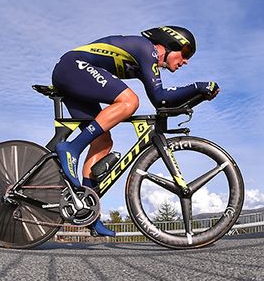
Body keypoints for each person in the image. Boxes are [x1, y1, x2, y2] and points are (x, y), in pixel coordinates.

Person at [51, 25, 220, 237]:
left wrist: (200, 96)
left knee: (103, 142)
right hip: (73, 66)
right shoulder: (145, 49)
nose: (185, 61)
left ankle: (88, 213)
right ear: (169, 44)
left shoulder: (144, 64)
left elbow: (162, 100)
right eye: (185, 53)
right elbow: (160, 97)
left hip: (73, 74)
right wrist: (197, 86)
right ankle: (71, 148)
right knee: (130, 101)